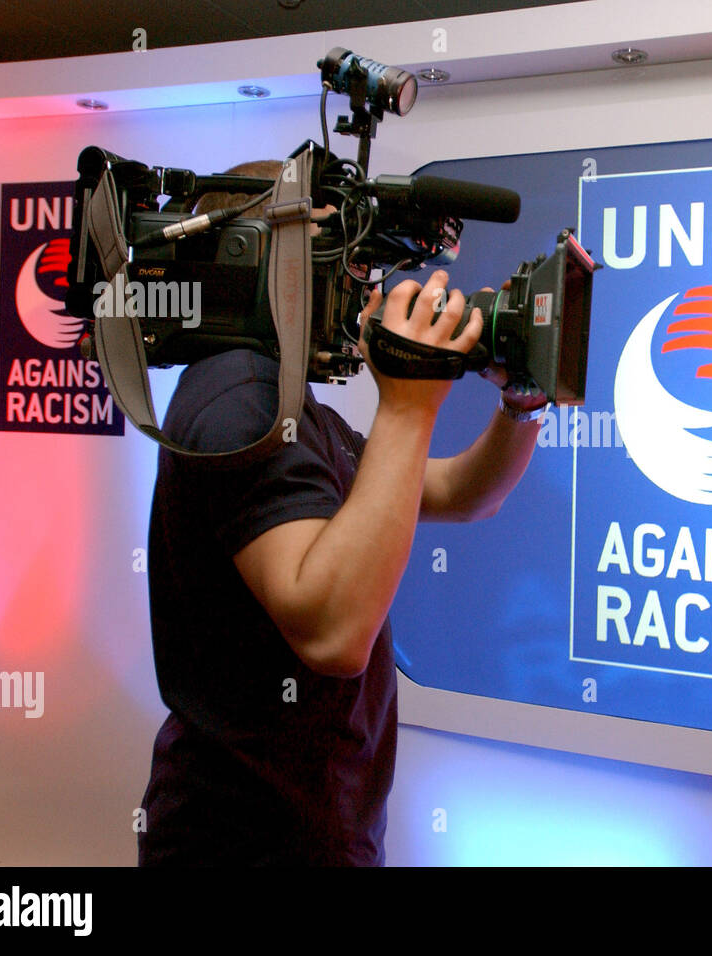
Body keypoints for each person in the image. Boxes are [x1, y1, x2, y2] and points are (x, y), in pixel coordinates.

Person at [137, 163, 546, 865]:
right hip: (243, 842)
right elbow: (331, 632)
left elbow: (463, 493)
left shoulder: (289, 405)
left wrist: (522, 403)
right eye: (343, 265)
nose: (359, 289)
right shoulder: (240, 398)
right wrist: (409, 404)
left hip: (317, 828)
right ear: (264, 260)